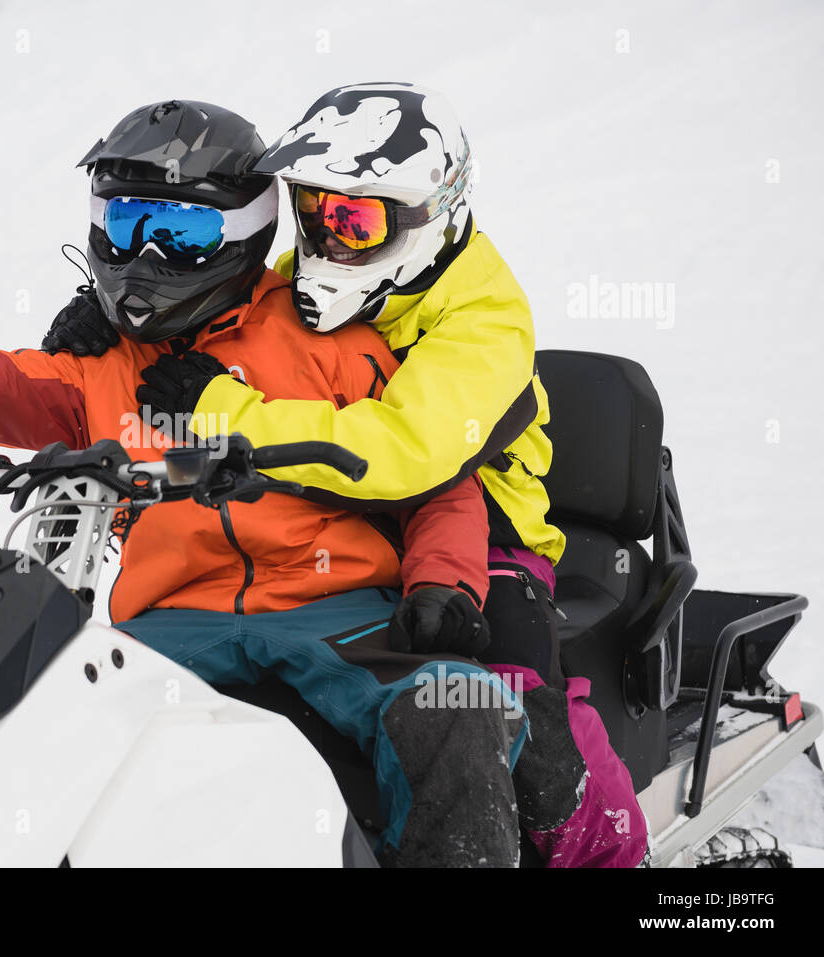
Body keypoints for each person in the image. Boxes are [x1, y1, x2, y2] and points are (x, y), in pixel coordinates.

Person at [0, 99, 526, 866]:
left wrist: (444, 585)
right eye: (126, 226)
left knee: (456, 704)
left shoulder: (325, 335)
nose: (146, 256)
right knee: (36, 727)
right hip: (170, 626)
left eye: (180, 233)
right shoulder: (104, 363)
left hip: (337, 615)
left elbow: (436, 479)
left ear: (247, 231)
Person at [42, 83, 646, 868]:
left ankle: (609, 847)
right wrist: (112, 324)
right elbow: (228, 312)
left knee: (499, 702)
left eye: (356, 221)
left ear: (432, 213)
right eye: (318, 214)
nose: (330, 243)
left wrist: (230, 413)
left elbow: (408, 450)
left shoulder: (486, 321)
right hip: (353, 516)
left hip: (486, 530)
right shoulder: (326, 274)